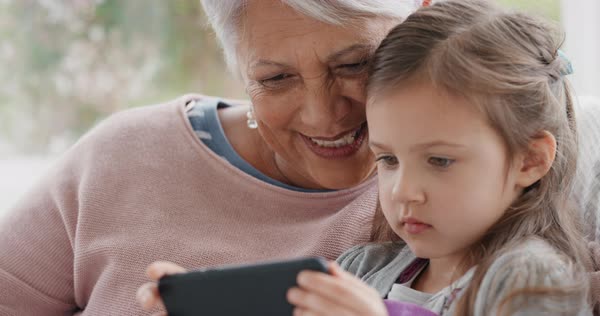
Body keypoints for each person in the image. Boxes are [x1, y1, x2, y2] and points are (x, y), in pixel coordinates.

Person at [0, 0, 419, 315]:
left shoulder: (459, 192)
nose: (323, 115)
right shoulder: (125, 155)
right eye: (276, 78)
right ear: (237, 68)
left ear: (425, 19)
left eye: (355, 64)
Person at [286, 1, 594, 315]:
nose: (402, 191)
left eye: (439, 161)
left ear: (530, 159)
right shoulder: (361, 269)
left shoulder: (531, 278)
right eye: (389, 160)